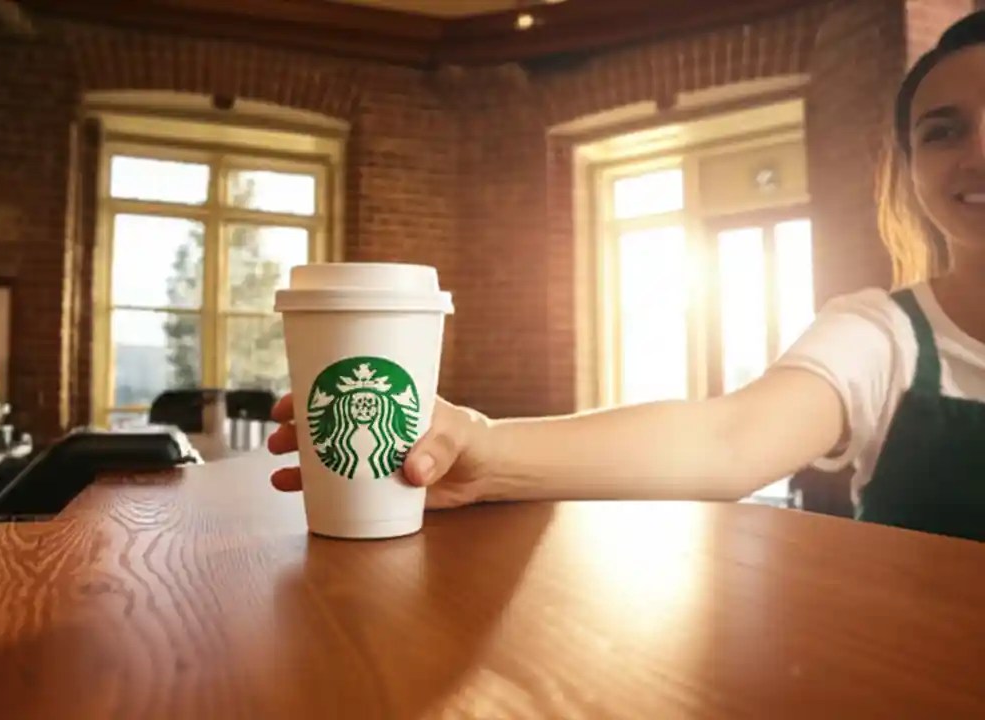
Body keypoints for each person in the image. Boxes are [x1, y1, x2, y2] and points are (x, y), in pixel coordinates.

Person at [266, 11, 985, 542]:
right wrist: (483, 452)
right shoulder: (883, 337)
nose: (978, 153)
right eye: (943, 131)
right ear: (912, 170)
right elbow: (727, 441)